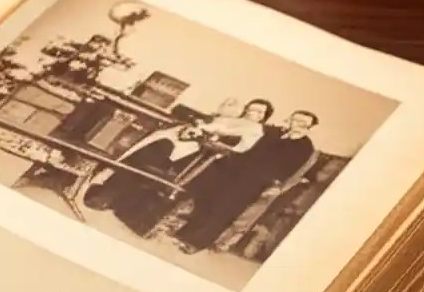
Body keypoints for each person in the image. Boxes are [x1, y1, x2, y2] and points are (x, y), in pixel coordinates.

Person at [83, 98, 271, 235]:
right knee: (146, 152)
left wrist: (208, 133)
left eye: (259, 112)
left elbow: (237, 146)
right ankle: (106, 193)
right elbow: (199, 119)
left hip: (200, 155)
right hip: (177, 140)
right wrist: (205, 121)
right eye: (251, 108)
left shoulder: (254, 130)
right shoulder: (229, 118)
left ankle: (109, 196)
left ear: (263, 117)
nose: (252, 113)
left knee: (156, 155)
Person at [175, 108, 319, 253]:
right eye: (295, 119)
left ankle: (196, 243)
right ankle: (184, 234)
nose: (297, 123)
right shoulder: (273, 132)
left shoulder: (305, 147)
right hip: (235, 170)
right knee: (211, 202)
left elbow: (289, 170)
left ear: (310, 127)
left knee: (226, 211)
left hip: (255, 182)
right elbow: (248, 135)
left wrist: (272, 184)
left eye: (302, 122)